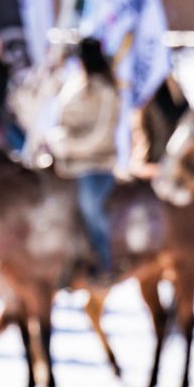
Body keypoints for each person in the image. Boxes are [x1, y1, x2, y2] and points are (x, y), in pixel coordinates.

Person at [46, 36, 122, 276]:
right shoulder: (72, 85)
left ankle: (104, 259)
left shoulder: (107, 90)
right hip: (65, 164)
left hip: (95, 164)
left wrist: (69, 145)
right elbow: (58, 119)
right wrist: (55, 140)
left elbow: (101, 133)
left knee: (90, 204)